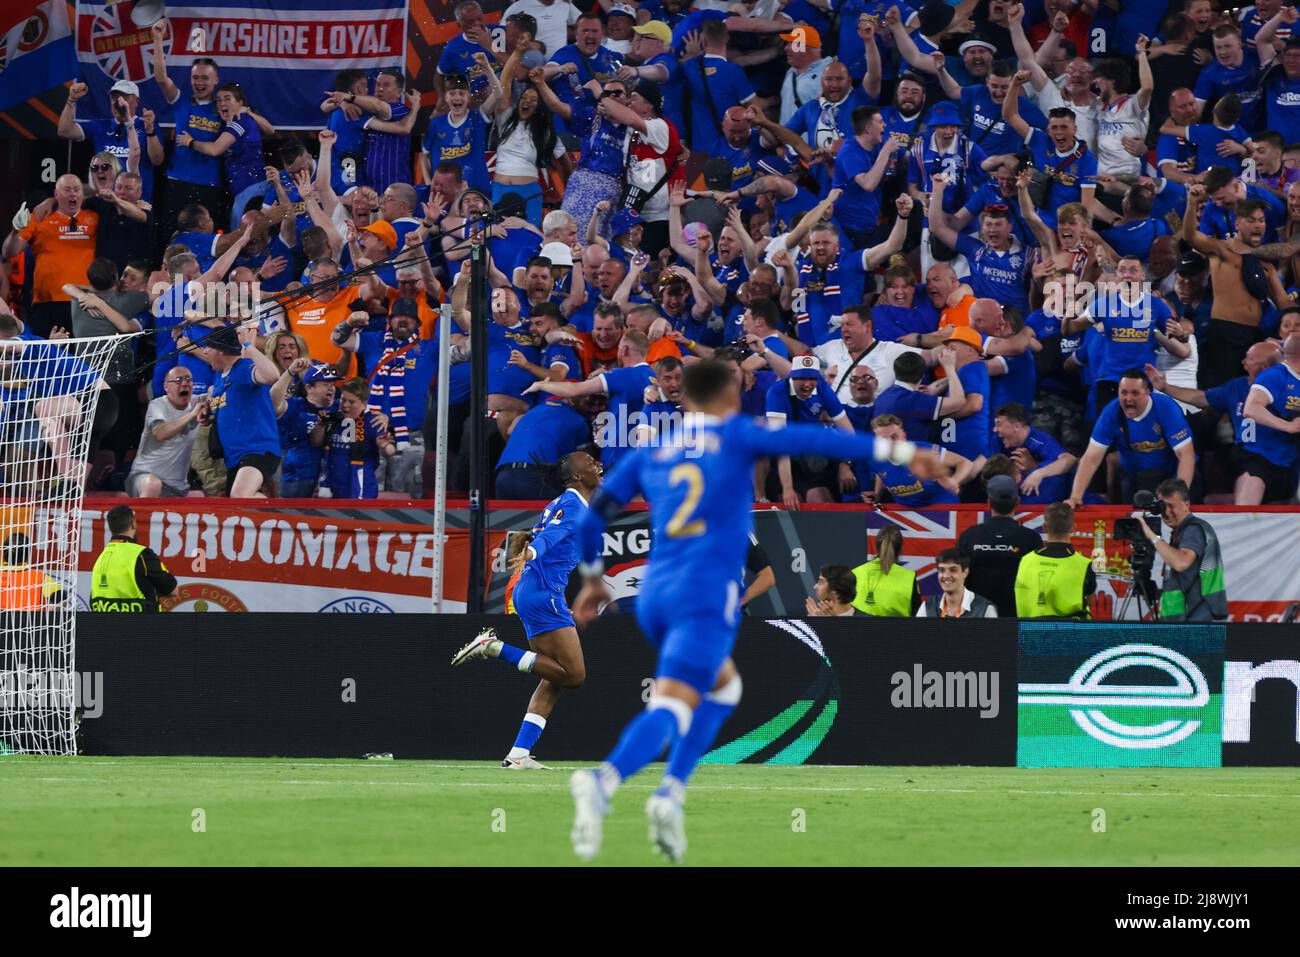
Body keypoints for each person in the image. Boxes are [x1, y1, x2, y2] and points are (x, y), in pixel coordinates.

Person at [563, 360, 941, 861]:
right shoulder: (737, 432)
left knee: (723, 687)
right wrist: (900, 449)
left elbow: (596, 517)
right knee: (674, 705)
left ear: (687, 399)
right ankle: (603, 781)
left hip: (656, 592)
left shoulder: (652, 449)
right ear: (730, 397)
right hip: (704, 592)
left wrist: (591, 580)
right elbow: (823, 441)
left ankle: (670, 794)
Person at [451, 451, 603, 769]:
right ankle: (494, 647)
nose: (598, 466)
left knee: (553, 678)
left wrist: (531, 547)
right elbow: (548, 537)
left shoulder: (565, 502)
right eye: (590, 463)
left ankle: (519, 754)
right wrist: (531, 551)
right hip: (543, 594)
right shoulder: (574, 507)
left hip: (533, 591)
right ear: (576, 476)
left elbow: (544, 533)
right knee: (574, 676)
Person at [1067, 369, 1197, 505]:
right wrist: (1076, 497)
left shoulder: (1166, 408)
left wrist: (1179, 495)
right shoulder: (1111, 413)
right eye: (1123, 392)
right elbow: (1091, 458)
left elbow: (1186, 455)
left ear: (1147, 393)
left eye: (1135, 393)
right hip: (1133, 477)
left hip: (1170, 475)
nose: (1128, 398)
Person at [200, 324, 284, 498]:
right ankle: (275, 514)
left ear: (221, 351)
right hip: (235, 456)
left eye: (209, 347)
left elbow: (272, 376)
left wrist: (248, 346)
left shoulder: (244, 368)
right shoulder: (220, 375)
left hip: (257, 450)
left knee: (240, 495)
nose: (205, 351)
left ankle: (280, 516)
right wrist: (208, 412)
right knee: (238, 504)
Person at [1135, 477, 1229, 621]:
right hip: (1186, 621)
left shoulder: (1194, 529)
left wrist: (1152, 536)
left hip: (1196, 623)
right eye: (1162, 506)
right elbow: (1185, 581)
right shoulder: (1181, 532)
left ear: (1186, 504)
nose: (1166, 512)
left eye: (1171, 506)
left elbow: (1181, 563)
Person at [957, 473, 1043, 618]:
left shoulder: (969, 536)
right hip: (1017, 620)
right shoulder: (1031, 539)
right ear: (1017, 502)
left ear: (988, 503)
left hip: (976, 621)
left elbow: (958, 579)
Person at [126, 367, 206, 498]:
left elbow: (213, 392)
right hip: (143, 478)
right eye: (178, 380)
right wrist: (192, 414)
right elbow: (160, 433)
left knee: (200, 496)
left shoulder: (197, 402)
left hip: (178, 487)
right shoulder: (157, 405)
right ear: (166, 387)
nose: (184, 383)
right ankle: (141, 518)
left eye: (188, 380)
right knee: (152, 485)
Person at [1014, 501, 1095, 618]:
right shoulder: (1085, 565)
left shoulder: (1026, 560)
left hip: (1030, 632)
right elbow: (1088, 601)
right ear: (1073, 528)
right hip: (1071, 633)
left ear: (1044, 528)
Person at [89, 505, 178, 613]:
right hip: (140, 626)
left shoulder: (101, 558)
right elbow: (173, 590)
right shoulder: (142, 554)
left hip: (103, 627)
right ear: (133, 524)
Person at [851, 525, 919, 617]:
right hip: (898, 630)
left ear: (876, 547)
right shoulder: (909, 578)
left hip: (857, 629)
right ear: (900, 549)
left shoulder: (855, 573)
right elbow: (918, 616)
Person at [916, 549, 997, 618]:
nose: (946, 576)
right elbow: (918, 636)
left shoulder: (985, 609)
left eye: (953, 570)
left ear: (965, 572)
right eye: (942, 570)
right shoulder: (927, 606)